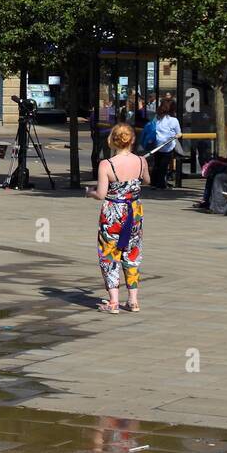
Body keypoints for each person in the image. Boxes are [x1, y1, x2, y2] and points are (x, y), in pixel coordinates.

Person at [85, 122, 149, 314]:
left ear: (112, 141)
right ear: (132, 140)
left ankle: (113, 301)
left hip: (113, 212)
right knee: (132, 252)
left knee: (109, 254)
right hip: (134, 211)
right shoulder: (141, 161)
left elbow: (101, 194)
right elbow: (147, 181)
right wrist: (140, 167)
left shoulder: (107, 164)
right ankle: (133, 300)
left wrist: (89, 192)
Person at [149, 97, 181, 190]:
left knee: (157, 164)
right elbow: (178, 133)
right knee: (163, 165)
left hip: (157, 145)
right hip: (167, 146)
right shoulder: (174, 120)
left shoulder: (157, 118)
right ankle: (161, 184)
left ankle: (154, 183)